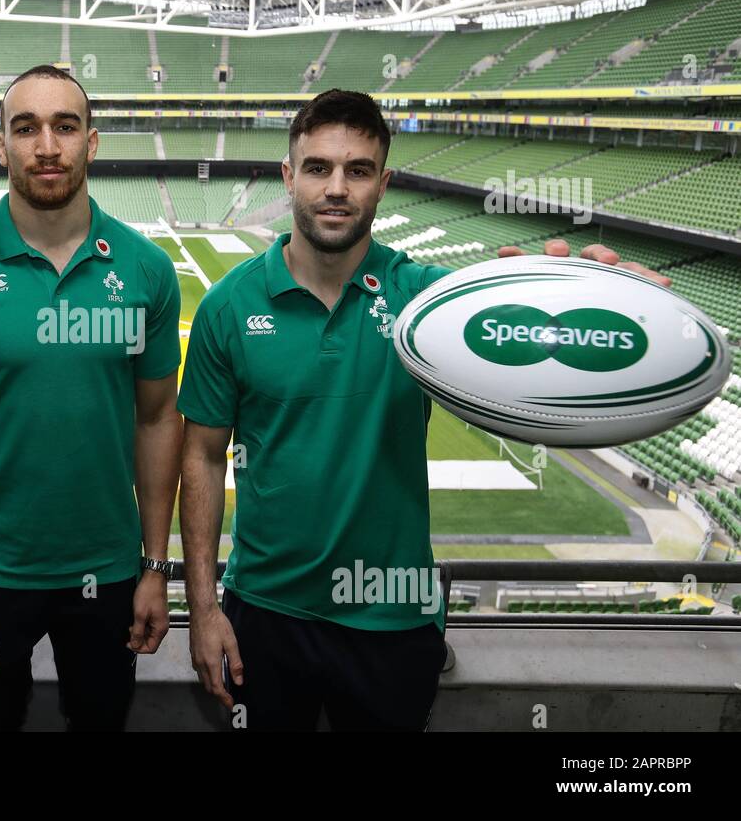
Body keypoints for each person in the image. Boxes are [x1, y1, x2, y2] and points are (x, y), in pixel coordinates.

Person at [179, 89, 669, 732]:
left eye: (357, 171)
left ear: (382, 184)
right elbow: (203, 454)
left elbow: (527, 332)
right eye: (318, 167)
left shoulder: (430, 304)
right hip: (264, 612)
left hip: (393, 616)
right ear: (288, 175)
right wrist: (204, 607)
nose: (336, 187)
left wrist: (593, 301)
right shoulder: (228, 306)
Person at [0, 65, 182, 731]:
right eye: (25, 128)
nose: (46, 146)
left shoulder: (145, 269)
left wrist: (154, 567)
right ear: (1, 146)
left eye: (65, 126)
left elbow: (157, 419)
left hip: (110, 571)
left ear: (93, 141)